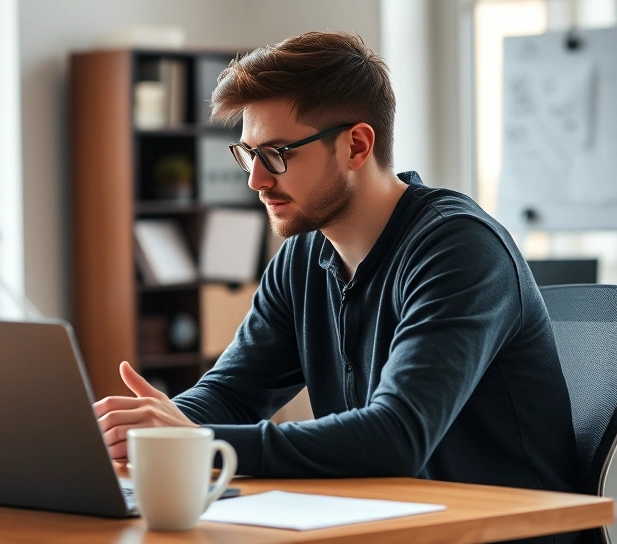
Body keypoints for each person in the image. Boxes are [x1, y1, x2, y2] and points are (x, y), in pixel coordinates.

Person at [94, 32, 581, 502]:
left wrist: (202, 446)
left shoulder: (459, 250)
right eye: (248, 155)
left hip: (505, 531)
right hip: (386, 520)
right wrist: (155, 426)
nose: (257, 181)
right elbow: (232, 394)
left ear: (356, 146)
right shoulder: (302, 258)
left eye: (277, 154)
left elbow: (397, 437)